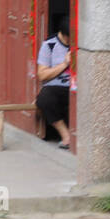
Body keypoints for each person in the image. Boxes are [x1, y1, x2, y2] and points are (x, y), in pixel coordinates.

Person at [36, 16, 73, 149]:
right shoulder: (49, 45)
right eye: (70, 38)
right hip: (56, 88)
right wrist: (65, 64)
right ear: (64, 34)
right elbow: (42, 75)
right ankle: (66, 136)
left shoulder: (79, 45)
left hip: (74, 86)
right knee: (44, 99)